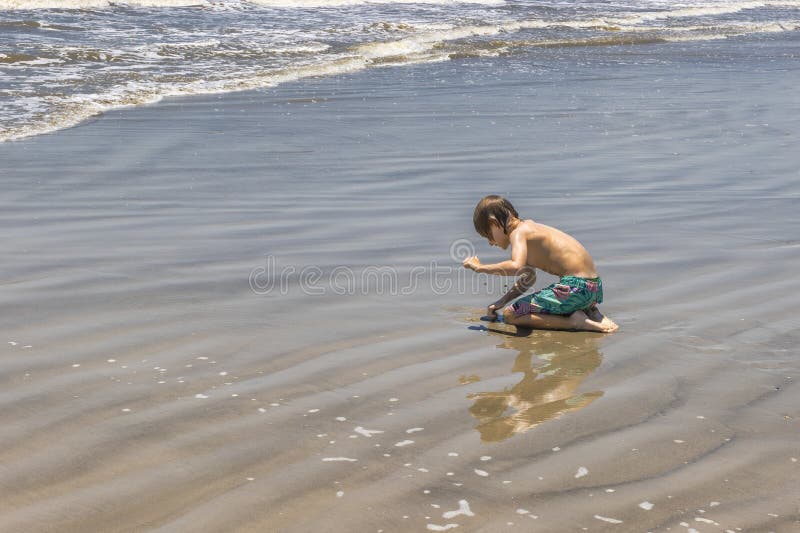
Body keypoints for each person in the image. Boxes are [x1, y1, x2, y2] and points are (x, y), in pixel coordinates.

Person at [462, 195, 618, 333]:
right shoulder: (530, 228)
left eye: (488, 236)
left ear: (494, 222)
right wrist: (501, 302)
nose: (490, 243)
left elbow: (516, 266)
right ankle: (590, 312)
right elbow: (528, 279)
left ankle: (575, 322)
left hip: (575, 288)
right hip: (593, 288)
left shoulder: (518, 233)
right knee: (526, 306)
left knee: (511, 315)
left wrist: (480, 268)